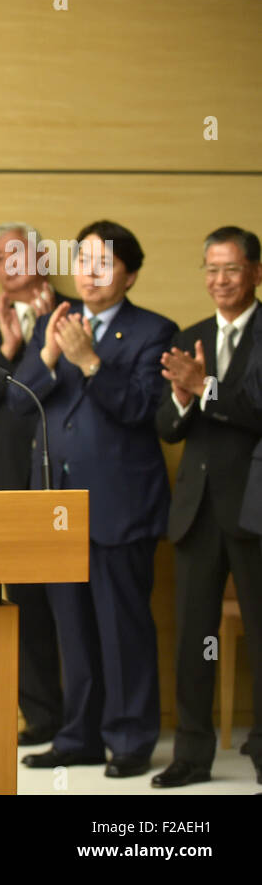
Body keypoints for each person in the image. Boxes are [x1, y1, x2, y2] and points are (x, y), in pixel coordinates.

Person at [10, 220, 176, 778]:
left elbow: (144, 410)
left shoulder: (155, 330)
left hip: (120, 506)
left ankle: (129, 739)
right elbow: (19, 403)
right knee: (73, 631)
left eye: (103, 264)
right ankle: (78, 735)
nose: (89, 273)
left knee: (122, 628)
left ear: (130, 274)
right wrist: (48, 355)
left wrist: (90, 363)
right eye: (82, 261)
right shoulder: (53, 322)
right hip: (56, 508)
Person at [156, 226, 262, 788]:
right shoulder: (189, 337)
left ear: (256, 273)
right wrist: (180, 398)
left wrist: (206, 389)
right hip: (197, 512)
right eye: (212, 269)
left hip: (253, 509)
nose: (220, 280)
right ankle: (192, 755)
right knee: (194, 638)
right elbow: (168, 428)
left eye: (232, 269)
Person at [0, 222, 66, 747]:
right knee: (21, 597)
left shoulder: (73, 315)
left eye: (16, 254)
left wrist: (45, 334)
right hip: (5, 477)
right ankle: (41, 715)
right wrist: (8, 349)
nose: (7, 265)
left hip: (63, 474)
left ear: (43, 260)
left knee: (71, 597)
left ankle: (87, 718)